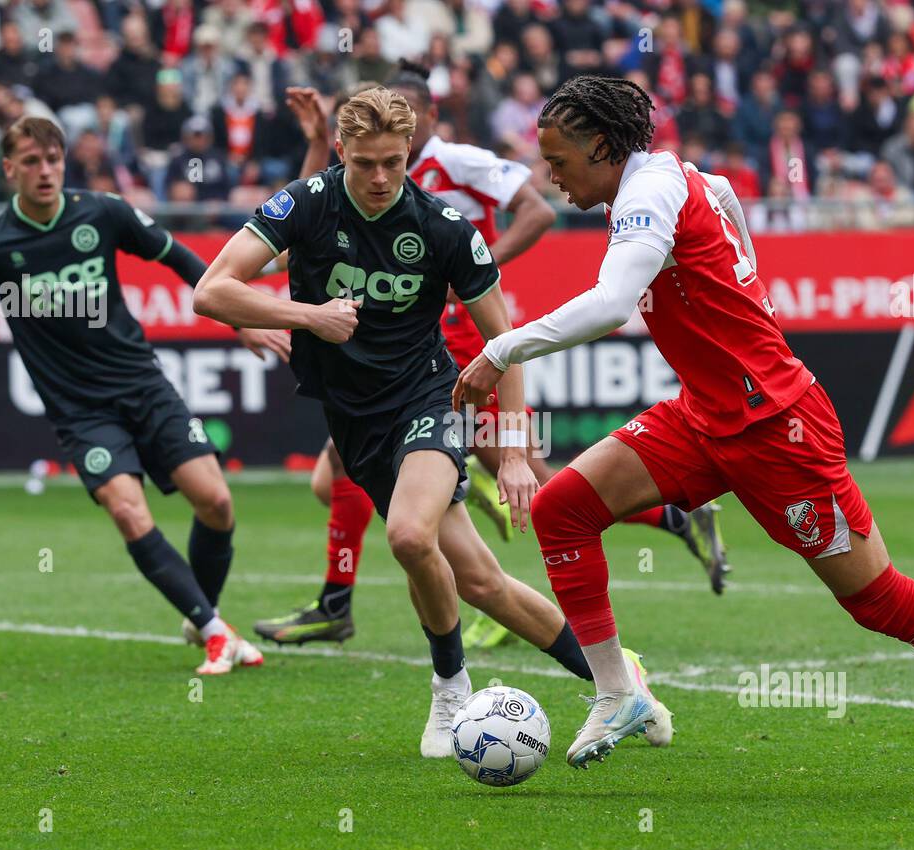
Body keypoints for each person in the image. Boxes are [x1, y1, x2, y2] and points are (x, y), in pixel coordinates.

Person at [454, 75, 914, 784]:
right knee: (563, 509)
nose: (553, 178)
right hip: (705, 413)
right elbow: (720, 190)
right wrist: (744, 276)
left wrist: (498, 349)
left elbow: (609, 305)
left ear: (602, 147)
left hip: (778, 427)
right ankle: (617, 693)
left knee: (876, 600)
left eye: (560, 162)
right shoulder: (669, 177)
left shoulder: (650, 193)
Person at [193, 87, 673, 757]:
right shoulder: (305, 205)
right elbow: (211, 291)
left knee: (410, 537)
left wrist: (511, 452)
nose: (383, 177)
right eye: (366, 163)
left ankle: (450, 690)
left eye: (394, 161)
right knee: (481, 583)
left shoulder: (444, 227)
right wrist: (311, 316)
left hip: (429, 400)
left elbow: (506, 345)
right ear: (341, 153)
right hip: (354, 423)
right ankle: (622, 684)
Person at [252, 69, 729, 654]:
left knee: (521, 477)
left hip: (450, 350)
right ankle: (359, 585)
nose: (381, 170)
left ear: (425, 117)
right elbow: (303, 233)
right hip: (381, 358)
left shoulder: (459, 165)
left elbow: (538, 211)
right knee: (349, 480)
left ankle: (349, 597)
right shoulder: (367, 174)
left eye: (406, 122)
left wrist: (477, 271)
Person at [0, 116, 263, 676]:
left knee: (215, 503)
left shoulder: (104, 212)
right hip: (80, 409)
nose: (44, 171)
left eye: (53, 159)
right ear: (9, 169)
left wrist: (235, 313)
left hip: (142, 383)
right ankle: (216, 633)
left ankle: (201, 614)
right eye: (31, 162)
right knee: (126, 508)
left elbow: (178, 256)